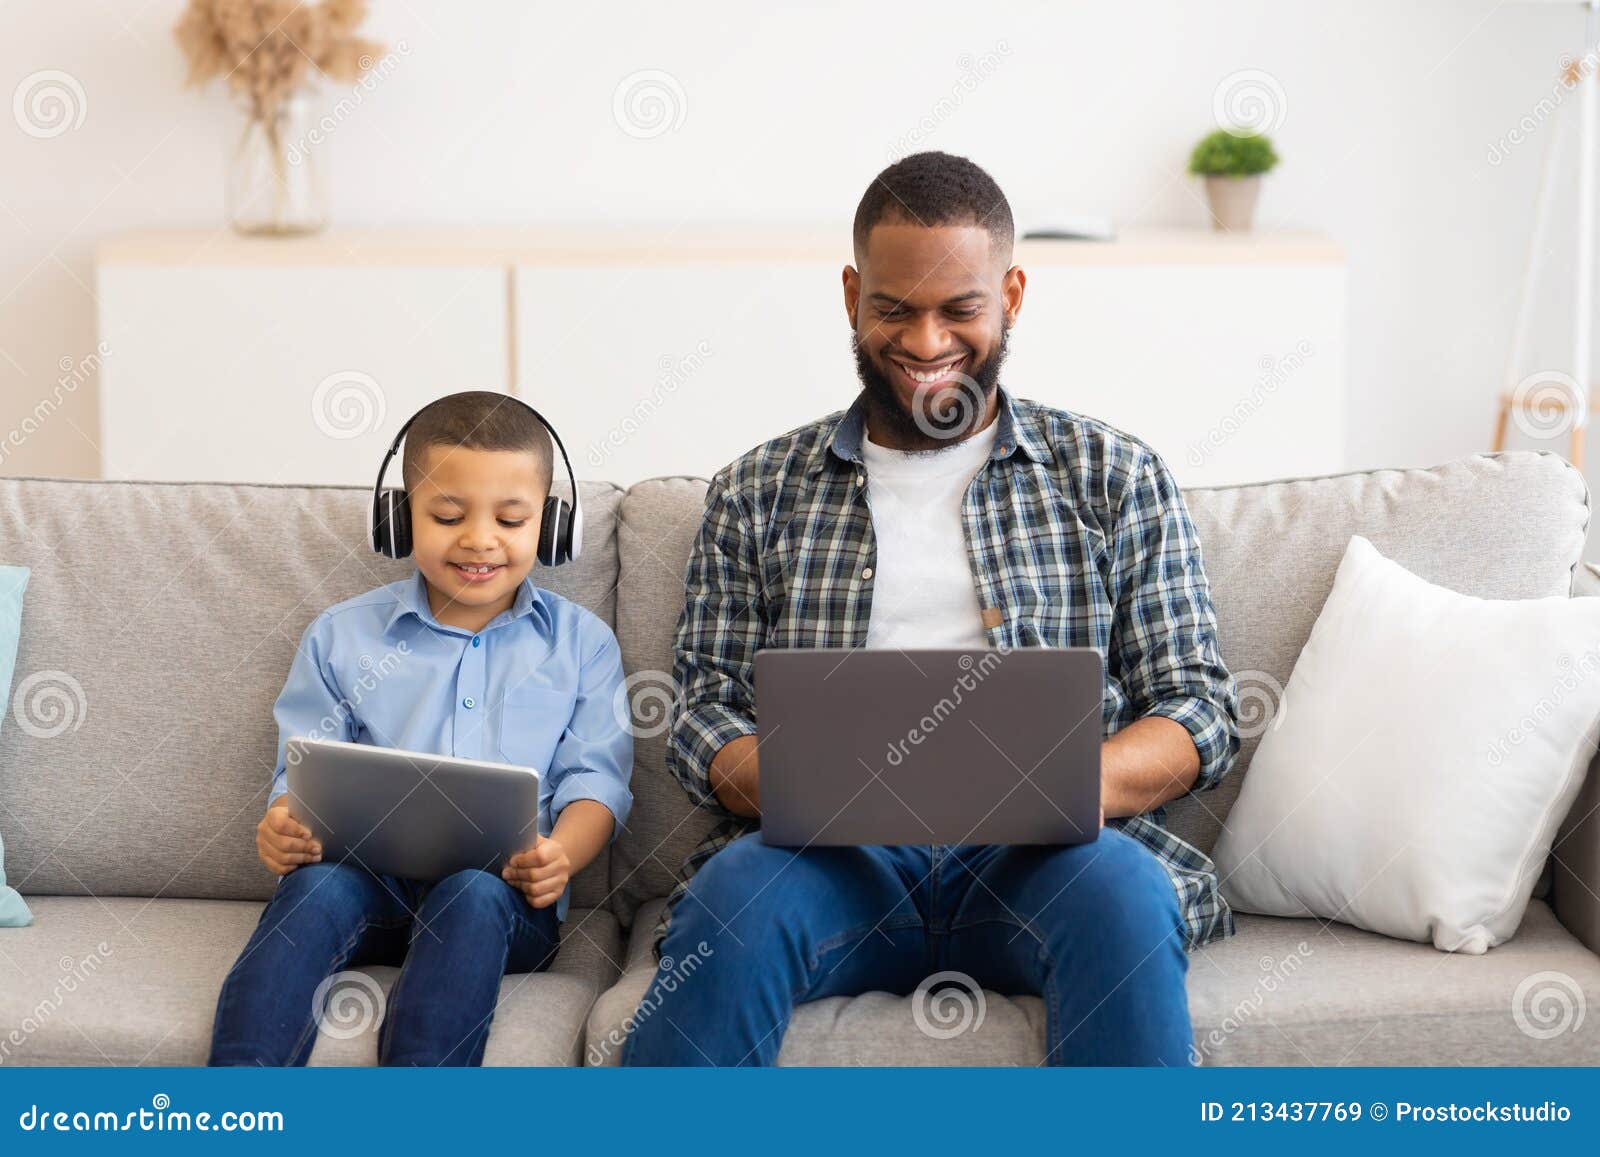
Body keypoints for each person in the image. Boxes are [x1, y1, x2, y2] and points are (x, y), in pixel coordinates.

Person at [623, 152, 1240, 1067]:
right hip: (829, 865)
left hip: (1048, 863)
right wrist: (811, 785)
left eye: (960, 309)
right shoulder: (757, 490)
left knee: (1123, 894)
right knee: (734, 901)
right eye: (893, 308)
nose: (924, 342)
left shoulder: (1113, 476)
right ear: (849, 295)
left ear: (1013, 295)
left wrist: (1060, 786)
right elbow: (702, 712)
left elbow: (1199, 706)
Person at [209, 391, 632, 1067]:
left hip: (503, 900)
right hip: (365, 880)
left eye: (511, 517)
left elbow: (597, 781)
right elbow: (301, 774)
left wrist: (561, 855)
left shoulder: (583, 644)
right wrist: (284, 821)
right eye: (447, 515)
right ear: (400, 519)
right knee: (314, 887)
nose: (479, 539)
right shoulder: (340, 635)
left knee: (471, 891)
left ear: (552, 527)